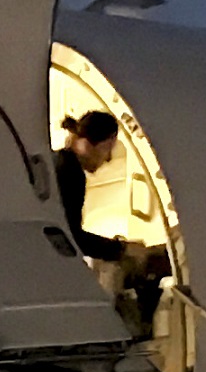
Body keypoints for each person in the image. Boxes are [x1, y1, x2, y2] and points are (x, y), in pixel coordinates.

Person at [58, 109, 172, 331]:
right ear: (101, 143)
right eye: (108, 150)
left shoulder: (62, 163)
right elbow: (70, 235)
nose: (108, 159)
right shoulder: (69, 173)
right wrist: (121, 249)